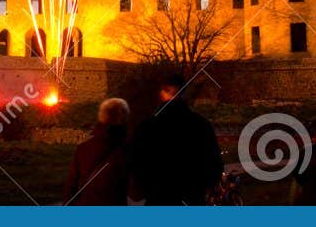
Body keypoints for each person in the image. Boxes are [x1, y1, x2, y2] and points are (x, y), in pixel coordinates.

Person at [128, 72, 222, 204]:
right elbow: (215, 167)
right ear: (183, 94)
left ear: (163, 92)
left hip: (157, 201)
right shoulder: (201, 125)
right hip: (193, 200)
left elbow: (135, 167)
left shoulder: (146, 127)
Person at [65, 97, 131, 204]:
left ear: (101, 117)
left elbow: (71, 188)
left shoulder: (83, 148)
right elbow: (136, 193)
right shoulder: (127, 150)